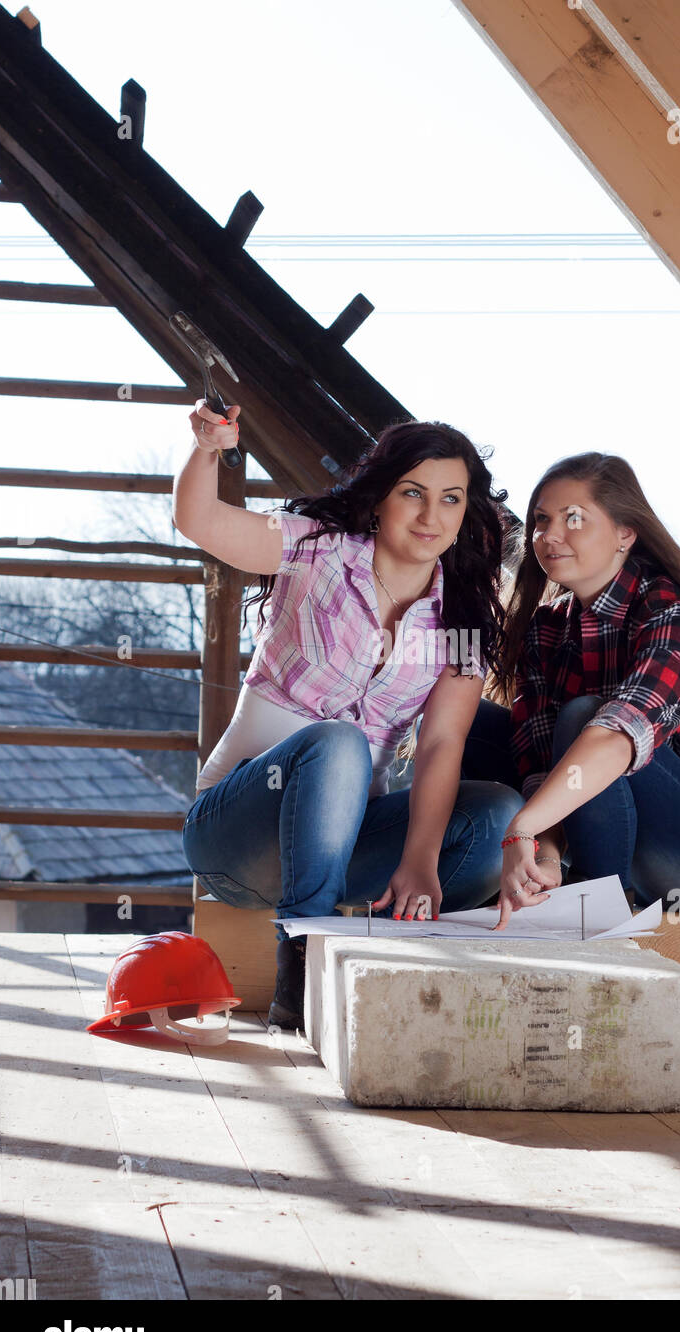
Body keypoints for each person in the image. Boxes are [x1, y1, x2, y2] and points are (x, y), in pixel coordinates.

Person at [174, 403, 524, 1027]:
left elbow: (443, 742)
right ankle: (301, 962)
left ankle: (385, 948)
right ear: (381, 496)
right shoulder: (316, 547)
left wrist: (419, 857)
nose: (429, 515)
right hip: (237, 838)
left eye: (450, 498)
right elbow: (197, 519)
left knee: (497, 812)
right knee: (338, 743)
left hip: (348, 846)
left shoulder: (463, 612)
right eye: (412, 493)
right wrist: (207, 449)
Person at [459, 451, 680, 929]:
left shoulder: (674, 614)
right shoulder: (545, 630)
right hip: (609, 822)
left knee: (588, 717)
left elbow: (616, 737)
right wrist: (547, 850)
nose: (548, 535)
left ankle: (597, 910)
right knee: (466, 719)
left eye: (572, 518)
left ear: (625, 532)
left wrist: (524, 828)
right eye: (541, 519)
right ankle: (480, 885)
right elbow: (542, 766)